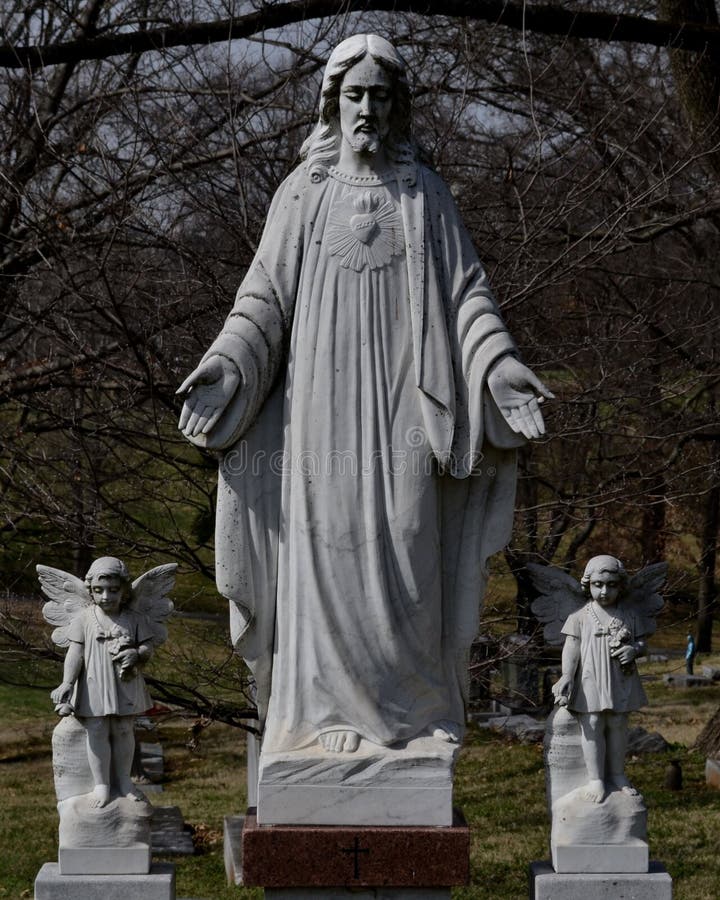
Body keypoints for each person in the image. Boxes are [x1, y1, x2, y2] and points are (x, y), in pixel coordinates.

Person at [178, 34, 551, 756]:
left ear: (397, 106)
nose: (368, 110)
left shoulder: (425, 198)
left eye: (381, 96)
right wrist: (226, 364)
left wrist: (498, 364)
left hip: (406, 412)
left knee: (411, 542)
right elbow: (262, 302)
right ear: (332, 102)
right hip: (320, 415)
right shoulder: (303, 194)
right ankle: (324, 716)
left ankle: (410, 716)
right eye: (355, 95)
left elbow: (468, 297)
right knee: (328, 549)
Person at [50, 557, 154, 807]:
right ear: (90, 591)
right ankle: (102, 785)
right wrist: (67, 683)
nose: (106, 596)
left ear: (124, 590)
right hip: (93, 683)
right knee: (96, 731)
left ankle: (125, 782)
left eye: (113, 590)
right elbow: (75, 653)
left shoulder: (134, 618)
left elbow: (148, 646)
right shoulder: (84, 618)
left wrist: (137, 654)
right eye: (99, 590)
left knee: (123, 730)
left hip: (125, 682)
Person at [553, 555, 648, 803]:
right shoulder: (580, 616)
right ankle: (595, 778)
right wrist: (566, 676)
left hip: (619, 678)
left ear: (620, 585)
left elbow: (642, 643)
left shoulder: (628, 615)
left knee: (617, 722)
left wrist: (634, 649)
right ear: (588, 584)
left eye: (611, 585)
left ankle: (617, 775)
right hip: (590, 677)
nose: (604, 591)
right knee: (593, 723)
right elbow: (571, 647)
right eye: (598, 584)